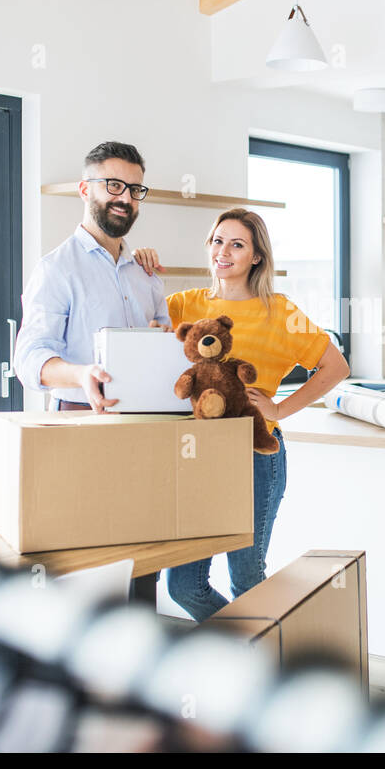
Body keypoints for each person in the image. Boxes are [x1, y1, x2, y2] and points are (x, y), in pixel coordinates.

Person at [163, 208, 349, 621]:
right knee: (181, 585)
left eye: (237, 244)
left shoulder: (280, 311)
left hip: (255, 455)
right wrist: (137, 265)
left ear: (257, 257)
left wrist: (280, 407)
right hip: (196, 457)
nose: (223, 252)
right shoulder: (181, 305)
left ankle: (261, 661)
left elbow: (336, 366)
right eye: (217, 241)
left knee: (247, 580)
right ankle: (251, 649)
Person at [13, 141, 168, 411]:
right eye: (114, 185)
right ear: (85, 190)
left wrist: (161, 343)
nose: (125, 199)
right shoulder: (56, 269)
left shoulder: (146, 274)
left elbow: (167, 345)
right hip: (79, 416)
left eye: (135, 189)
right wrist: (81, 375)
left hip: (148, 416)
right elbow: (28, 359)